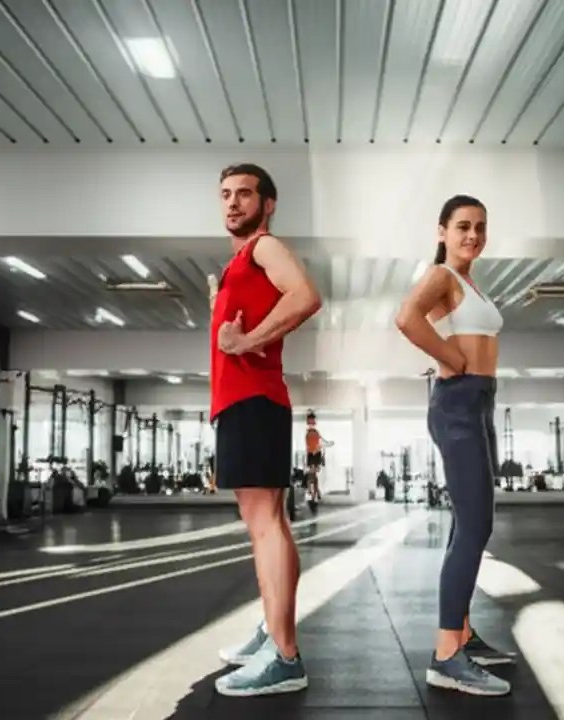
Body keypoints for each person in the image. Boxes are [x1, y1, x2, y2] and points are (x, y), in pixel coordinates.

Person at [394, 194, 516, 696]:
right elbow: (406, 317)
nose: (473, 235)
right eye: (463, 226)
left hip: (479, 401)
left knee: (469, 523)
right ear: (442, 230)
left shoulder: (469, 284)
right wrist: (450, 357)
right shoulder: (442, 276)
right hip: (459, 401)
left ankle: (463, 633)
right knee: (477, 525)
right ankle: (447, 655)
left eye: (480, 227)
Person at [209, 162, 322, 697]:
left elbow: (305, 297)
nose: (233, 202)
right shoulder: (239, 263)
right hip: (247, 404)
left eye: (245, 194)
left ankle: (284, 655)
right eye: (226, 194)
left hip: (252, 401)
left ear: (268, 203)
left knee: (265, 526)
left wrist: (248, 340)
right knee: (269, 523)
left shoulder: (263, 248)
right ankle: (272, 631)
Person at [304, 411, 331, 506]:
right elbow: (308, 445)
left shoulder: (315, 432)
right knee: (311, 475)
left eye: (312, 419)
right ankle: (315, 493)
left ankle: (315, 494)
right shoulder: (308, 432)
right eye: (309, 420)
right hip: (311, 454)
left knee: (313, 474)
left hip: (315, 454)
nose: (311, 421)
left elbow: (321, 442)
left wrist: (323, 447)